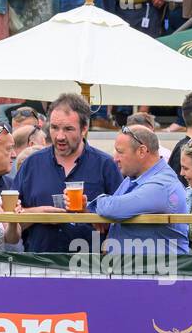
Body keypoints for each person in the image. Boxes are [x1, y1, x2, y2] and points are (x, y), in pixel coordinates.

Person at [14, 93, 122, 254]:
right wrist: (37, 213)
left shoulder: (105, 165)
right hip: (39, 266)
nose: (60, 136)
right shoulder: (32, 164)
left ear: (84, 128)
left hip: (90, 267)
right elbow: (9, 220)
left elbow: (121, 221)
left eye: (68, 129)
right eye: (54, 127)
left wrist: (90, 212)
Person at [94, 125, 189, 255]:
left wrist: (92, 205)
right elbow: (113, 211)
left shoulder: (162, 185)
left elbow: (112, 208)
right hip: (139, 269)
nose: (115, 158)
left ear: (142, 151)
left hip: (160, 271)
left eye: (120, 152)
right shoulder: (132, 178)